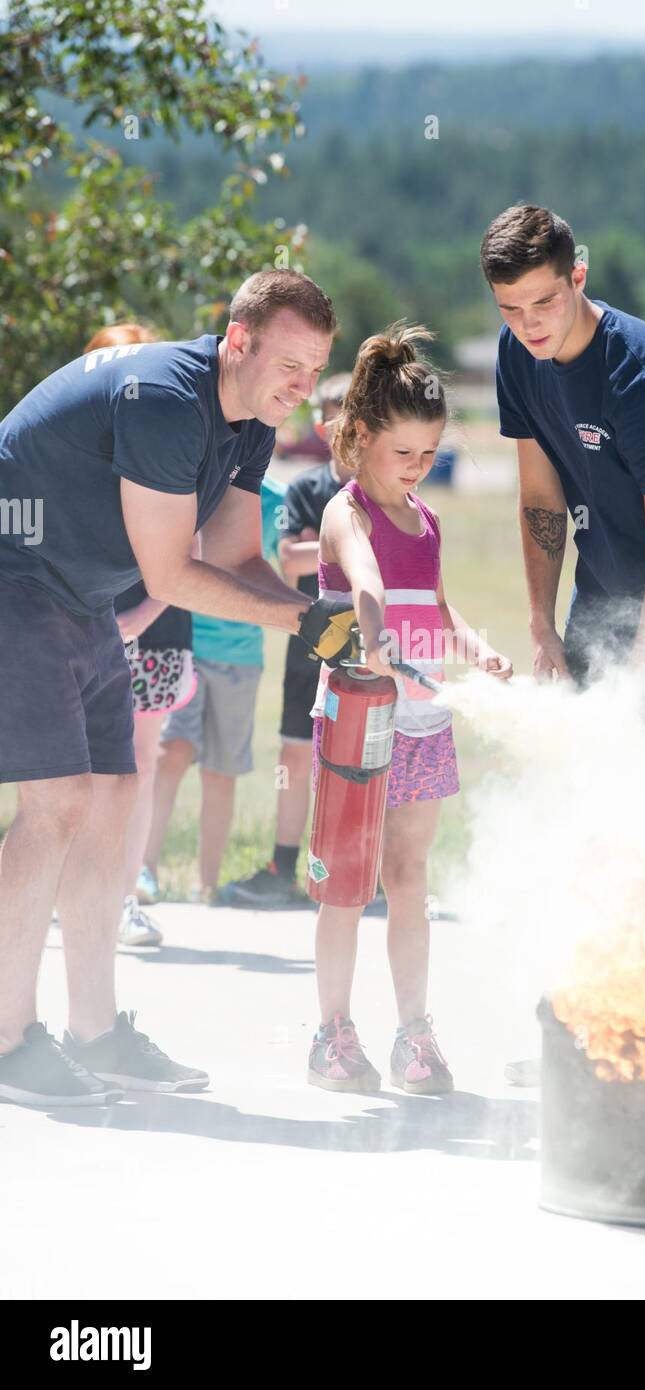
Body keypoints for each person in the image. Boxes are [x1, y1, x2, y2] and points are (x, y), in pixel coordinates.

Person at [0, 269, 351, 1109]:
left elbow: (234, 559)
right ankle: (10, 1043)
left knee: (117, 796)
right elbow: (171, 572)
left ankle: (97, 1034)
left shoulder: (251, 423)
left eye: (314, 372)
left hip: (76, 592)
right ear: (238, 341)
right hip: (15, 577)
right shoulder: (164, 397)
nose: (301, 390)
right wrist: (303, 624)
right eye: (289, 366)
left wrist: (322, 616)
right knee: (55, 804)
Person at [307, 323, 512, 1097]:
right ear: (360, 439)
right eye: (404, 455)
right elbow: (366, 584)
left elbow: (437, 608)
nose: (418, 469)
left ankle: (413, 1032)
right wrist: (375, 639)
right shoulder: (346, 512)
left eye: (429, 455)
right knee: (346, 884)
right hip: (358, 723)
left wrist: (475, 650)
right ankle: (332, 1033)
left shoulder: (426, 519)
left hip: (423, 724)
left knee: (407, 879)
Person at [480, 204, 645, 729]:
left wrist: (635, 682)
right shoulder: (516, 355)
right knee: (586, 768)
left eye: (544, 301)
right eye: (510, 308)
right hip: (602, 586)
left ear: (578, 275)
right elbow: (540, 499)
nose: (528, 324)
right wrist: (541, 626)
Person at [80, 323, 198, 950]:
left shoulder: (172, 447)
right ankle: (70, 887)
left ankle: (124, 896)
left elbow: (192, 548)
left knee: (138, 763)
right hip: (77, 627)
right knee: (69, 768)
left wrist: (139, 619)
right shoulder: (70, 453)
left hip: (153, 625)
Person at [219, 373, 354, 909]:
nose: (348, 424)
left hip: (370, 644)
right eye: (336, 413)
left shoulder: (387, 488)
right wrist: (351, 546)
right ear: (321, 425)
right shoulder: (307, 489)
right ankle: (282, 865)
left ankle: (359, 871)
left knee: (362, 761)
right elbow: (290, 558)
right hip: (314, 642)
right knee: (294, 757)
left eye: (357, 412)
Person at [143, 474, 287, 905]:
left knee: (222, 770)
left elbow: (288, 562)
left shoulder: (276, 499)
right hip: (186, 641)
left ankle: (206, 886)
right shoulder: (191, 481)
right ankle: (143, 871)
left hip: (241, 654)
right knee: (172, 752)